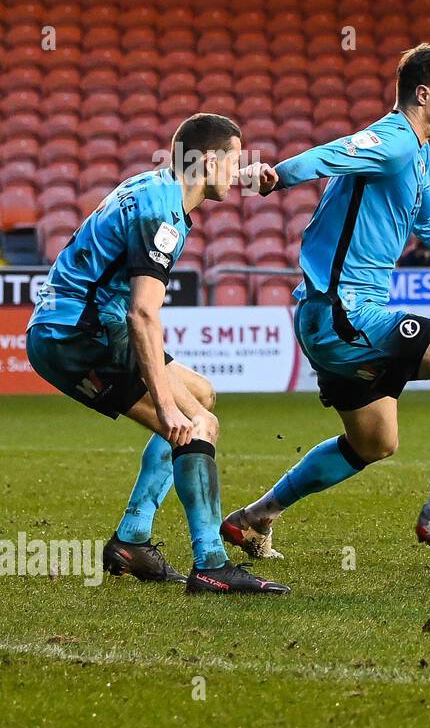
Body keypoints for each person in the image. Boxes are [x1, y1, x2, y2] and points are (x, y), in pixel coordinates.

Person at [222, 46, 430, 565]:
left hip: (332, 320)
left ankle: (254, 518)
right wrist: (278, 175)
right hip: (346, 314)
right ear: (423, 95)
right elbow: (332, 152)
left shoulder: (418, 155)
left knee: (373, 443)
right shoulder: (392, 140)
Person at [24, 113, 288, 595]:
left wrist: (245, 177)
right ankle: (211, 564)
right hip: (79, 338)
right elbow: (142, 315)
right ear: (208, 162)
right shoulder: (161, 217)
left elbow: (131, 309)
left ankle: (133, 541)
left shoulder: (156, 187)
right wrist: (167, 408)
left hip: (81, 325)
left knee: (202, 395)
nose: (238, 170)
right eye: (233, 162)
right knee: (195, 424)